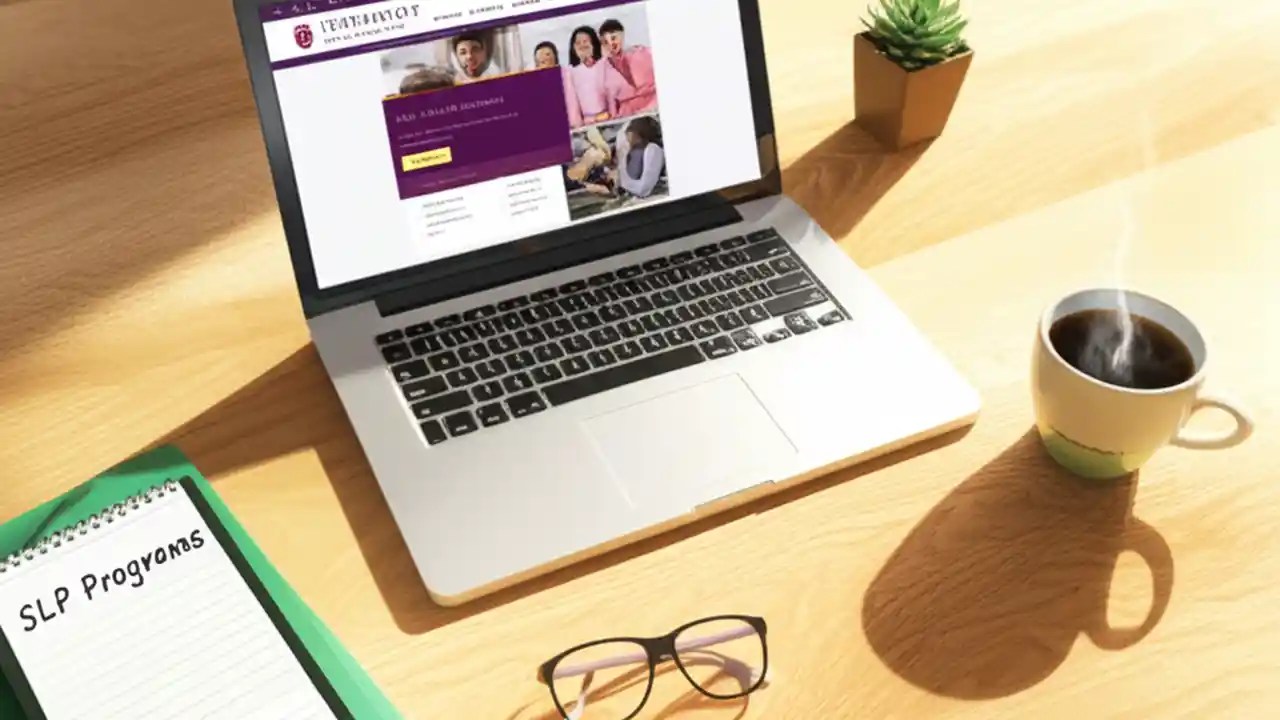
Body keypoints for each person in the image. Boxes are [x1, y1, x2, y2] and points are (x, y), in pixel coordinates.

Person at [565, 26, 633, 129]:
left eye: (585, 41)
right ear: (573, 48)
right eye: (578, 43)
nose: (582, 45)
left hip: (611, 119)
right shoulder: (570, 72)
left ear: (593, 44)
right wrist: (578, 126)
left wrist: (612, 115)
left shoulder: (604, 63)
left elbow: (615, 88)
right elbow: (572, 103)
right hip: (587, 125)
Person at [599, 19, 658, 116]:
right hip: (628, 111)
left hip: (650, 105)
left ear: (622, 35)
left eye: (613, 38)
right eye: (605, 42)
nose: (610, 44)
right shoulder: (607, 65)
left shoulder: (641, 54)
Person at [611, 115, 665, 199]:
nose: (625, 137)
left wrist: (621, 179)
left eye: (628, 132)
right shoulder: (632, 150)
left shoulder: (653, 150)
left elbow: (643, 190)